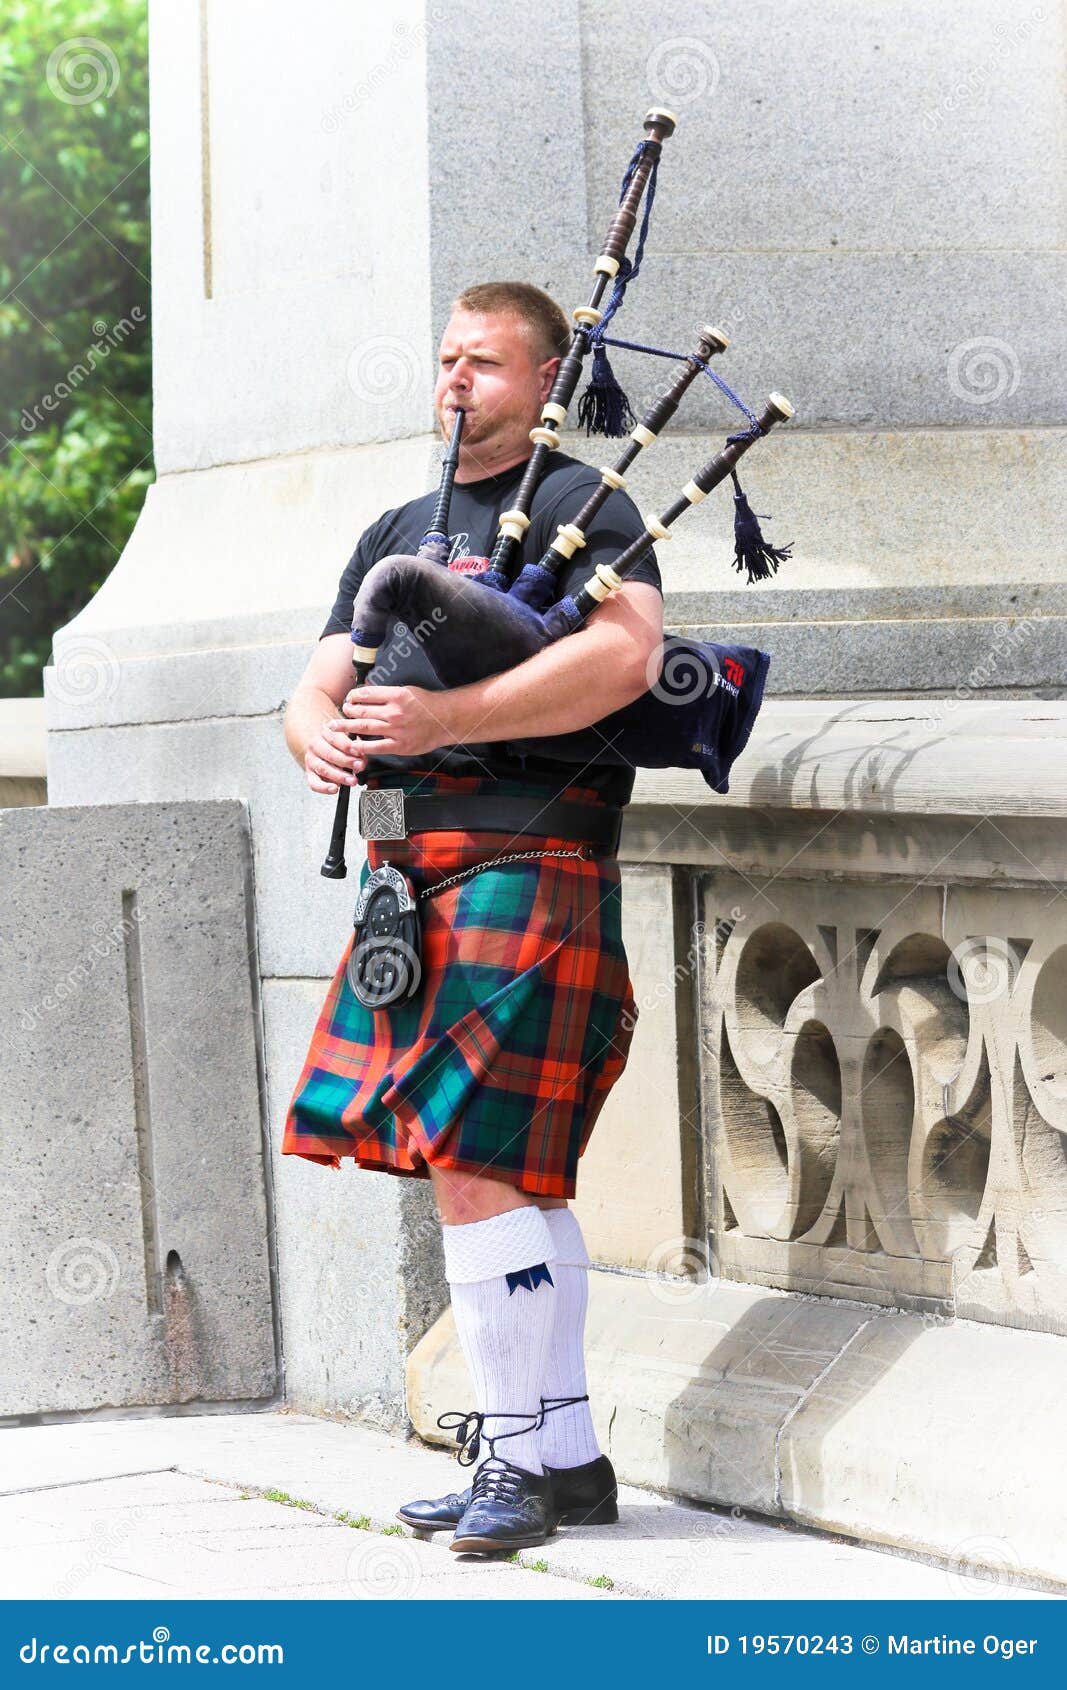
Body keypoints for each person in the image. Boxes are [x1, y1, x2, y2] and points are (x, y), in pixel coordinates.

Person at [281, 280, 663, 1555]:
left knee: (474, 1158)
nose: (455, 381)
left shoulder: (581, 506)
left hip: (525, 854)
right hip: (410, 873)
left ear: (548, 379)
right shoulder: (402, 520)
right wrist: (318, 733)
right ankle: (561, 1457)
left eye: (486, 363)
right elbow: (319, 675)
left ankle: (510, 1455)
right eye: (446, 358)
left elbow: (624, 656)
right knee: (500, 1165)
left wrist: (447, 720)